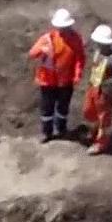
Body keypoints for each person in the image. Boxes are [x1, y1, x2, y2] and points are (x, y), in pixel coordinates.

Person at [28, 8, 86, 142]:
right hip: (48, 81)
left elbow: (79, 58)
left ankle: (61, 129)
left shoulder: (75, 39)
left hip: (66, 80)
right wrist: (42, 49)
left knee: (63, 107)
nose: (64, 30)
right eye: (61, 27)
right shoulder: (48, 38)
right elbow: (32, 53)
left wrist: (77, 74)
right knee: (47, 108)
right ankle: (46, 132)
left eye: (66, 27)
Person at [82, 24, 112, 156]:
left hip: (105, 92)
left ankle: (101, 143)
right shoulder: (98, 53)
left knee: (104, 119)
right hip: (93, 87)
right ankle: (94, 130)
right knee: (88, 111)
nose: (98, 44)